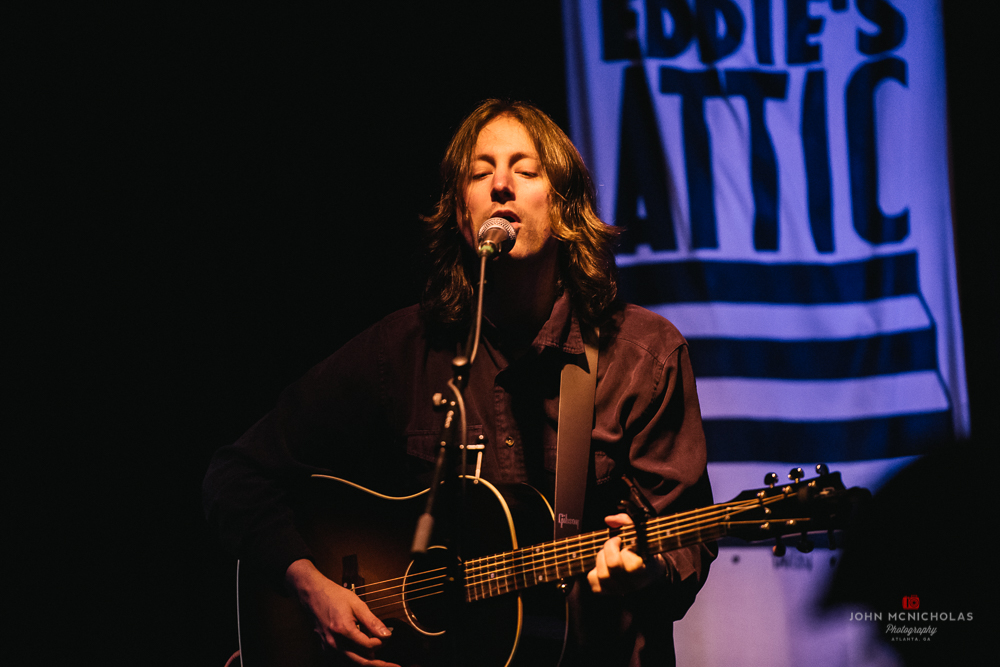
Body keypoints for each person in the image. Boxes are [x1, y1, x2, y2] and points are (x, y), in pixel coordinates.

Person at [204, 99, 715, 667]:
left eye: (525, 170)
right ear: (458, 211)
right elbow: (237, 474)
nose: (501, 185)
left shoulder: (644, 356)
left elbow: (689, 539)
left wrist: (646, 568)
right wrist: (307, 583)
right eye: (480, 173)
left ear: (565, 205)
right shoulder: (402, 350)